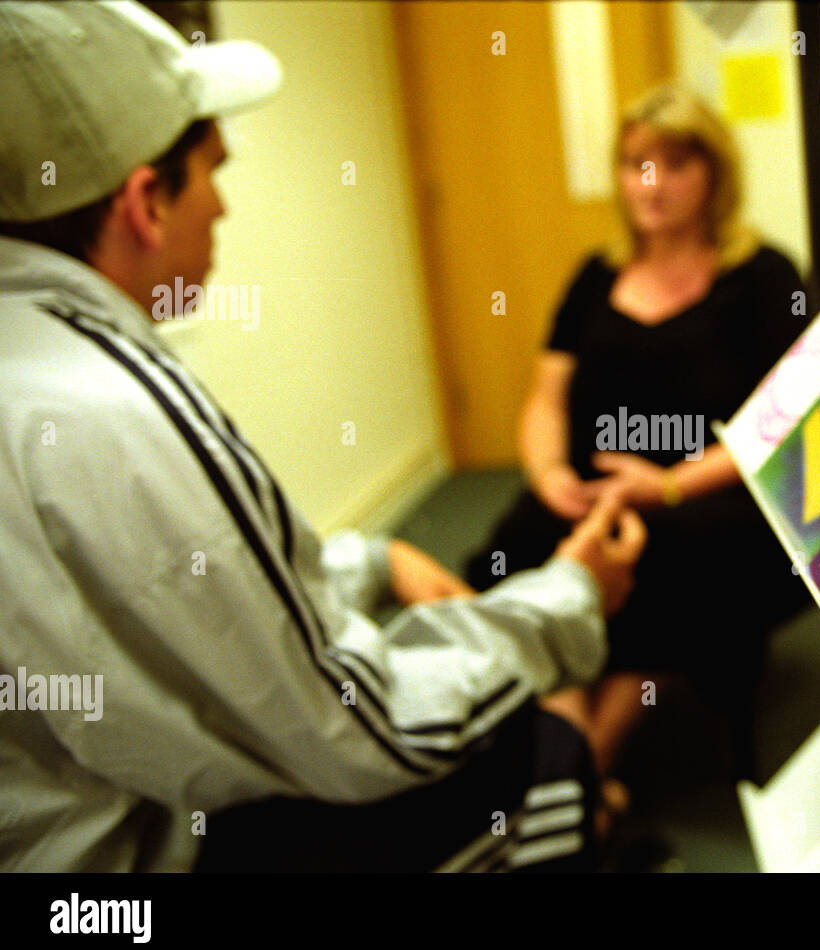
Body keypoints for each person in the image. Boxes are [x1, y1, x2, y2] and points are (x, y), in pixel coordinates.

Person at [0, 0, 644, 872]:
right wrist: (569, 599)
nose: (224, 209)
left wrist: (371, 563)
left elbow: (153, 603)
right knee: (534, 750)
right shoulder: (115, 406)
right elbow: (365, 730)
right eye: (214, 173)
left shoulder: (33, 365)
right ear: (146, 202)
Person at [467, 85, 810, 791]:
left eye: (674, 163)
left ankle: (585, 771)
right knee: (520, 555)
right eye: (634, 163)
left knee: (665, 567)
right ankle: (571, 755)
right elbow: (546, 397)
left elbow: (786, 421)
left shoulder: (764, 277)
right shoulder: (595, 275)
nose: (650, 184)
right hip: (588, 487)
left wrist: (668, 484)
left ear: (714, 172)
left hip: (708, 491)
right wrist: (545, 470)